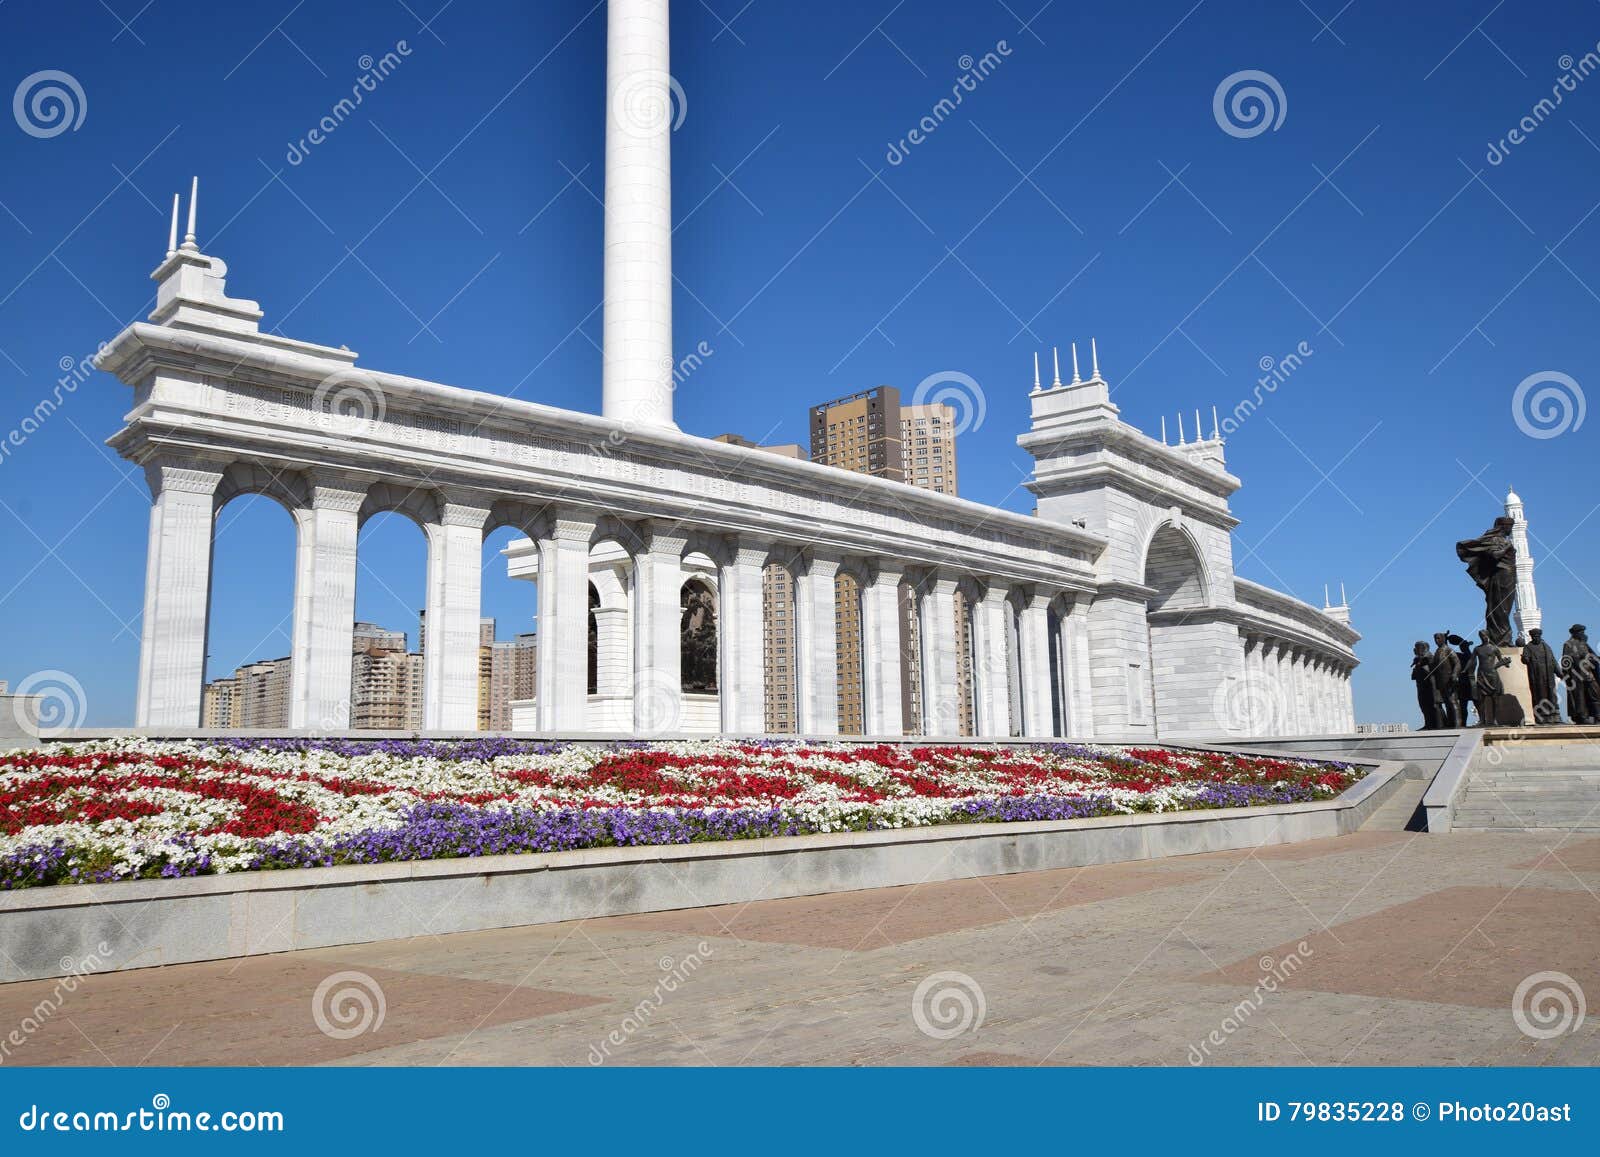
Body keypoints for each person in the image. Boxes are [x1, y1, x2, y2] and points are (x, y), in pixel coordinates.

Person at [1472, 630, 1512, 727]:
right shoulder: (1477, 649)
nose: (1483, 637)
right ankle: (1482, 720)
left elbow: (1502, 660)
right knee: (1480, 699)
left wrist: (1506, 663)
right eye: (1481, 636)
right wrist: (1465, 670)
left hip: (1493, 675)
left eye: (1485, 635)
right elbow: (1472, 661)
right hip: (1481, 674)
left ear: (1488, 635)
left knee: (1494, 698)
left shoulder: (1494, 648)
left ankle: (1494, 720)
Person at [1562, 625, 1600, 725]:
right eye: (1581, 632)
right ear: (1575, 633)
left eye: (1583, 632)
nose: (1583, 634)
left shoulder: (1584, 644)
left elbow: (1594, 656)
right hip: (1577, 676)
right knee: (1580, 697)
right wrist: (1579, 658)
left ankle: (1597, 716)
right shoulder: (1568, 644)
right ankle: (1582, 717)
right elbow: (1566, 661)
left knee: (1595, 694)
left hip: (1589, 675)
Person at [1522, 627, 1562, 724]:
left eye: (1537, 636)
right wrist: (1526, 659)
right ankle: (1542, 717)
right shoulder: (1528, 647)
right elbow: (1524, 659)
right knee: (1540, 696)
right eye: (1534, 636)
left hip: (1548, 676)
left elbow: (1553, 661)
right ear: (1531, 637)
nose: (1536, 638)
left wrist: (1559, 672)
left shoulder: (1546, 647)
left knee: (1551, 695)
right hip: (1537, 677)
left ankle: (1554, 716)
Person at [1431, 632, 1461, 727]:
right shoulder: (1437, 651)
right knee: (1447, 703)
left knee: (1453, 701)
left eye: (1439, 638)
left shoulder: (1448, 650)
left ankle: (1458, 723)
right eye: (1435, 639)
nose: (1437, 640)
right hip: (1441, 681)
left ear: (1443, 639)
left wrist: (1455, 674)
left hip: (1449, 680)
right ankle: (1450, 723)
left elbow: (1457, 663)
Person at [1411, 641, 1440, 729]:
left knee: (1433, 707)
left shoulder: (1429, 657)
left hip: (1430, 687)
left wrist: (1421, 664)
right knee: (1424, 706)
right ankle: (1428, 724)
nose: (1415, 650)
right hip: (1421, 687)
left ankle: (1437, 724)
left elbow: (1431, 673)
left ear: (1424, 648)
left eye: (1417, 648)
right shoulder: (1418, 660)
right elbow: (1413, 677)